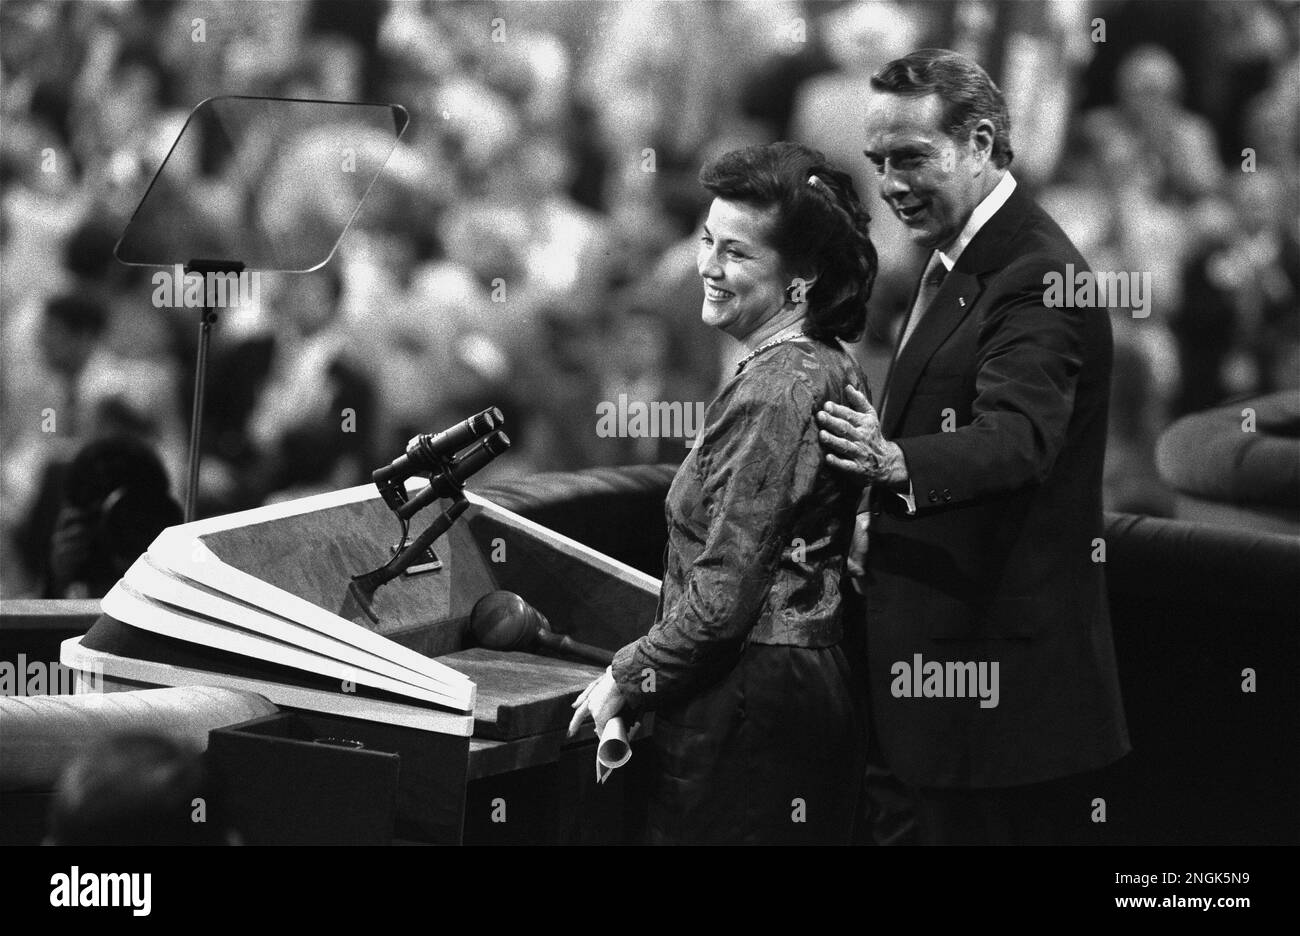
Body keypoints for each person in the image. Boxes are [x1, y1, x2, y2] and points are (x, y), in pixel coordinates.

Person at [815, 49, 1130, 845]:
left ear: (982, 143)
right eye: (878, 161)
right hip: (931, 698)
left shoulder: (1036, 272)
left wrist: (895, 463)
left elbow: (1019, 440)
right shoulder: (954, 259)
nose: (889, 185)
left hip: (991, 714)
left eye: (913, 158)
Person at [568, 142, 877, 844]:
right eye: (708, 241)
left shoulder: (774, 390)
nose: (707, 266)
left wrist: (630, 675)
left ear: (802, 280)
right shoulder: (823, 363)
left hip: (750, 704)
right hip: (795, 691)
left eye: (737, 254)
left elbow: (723, 599)